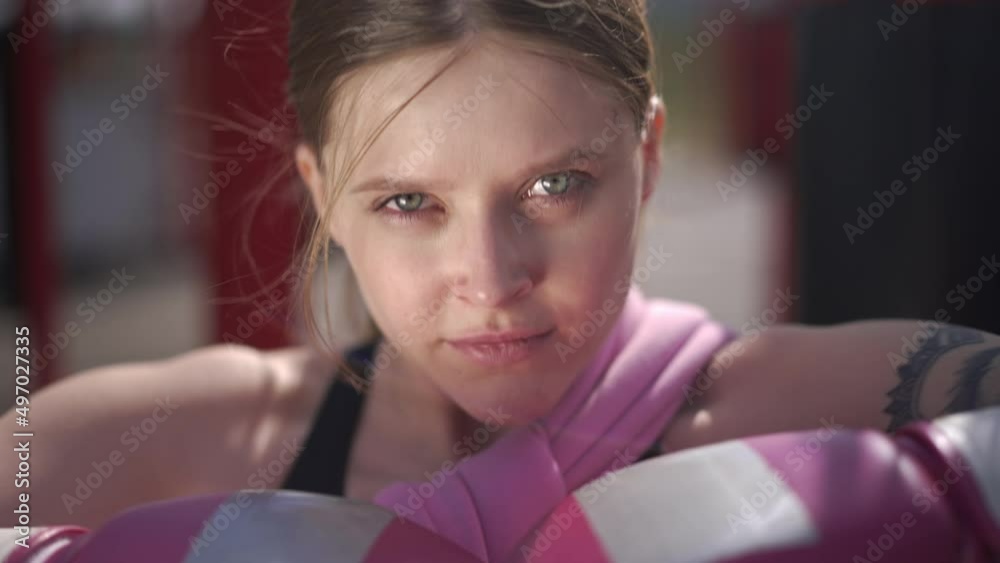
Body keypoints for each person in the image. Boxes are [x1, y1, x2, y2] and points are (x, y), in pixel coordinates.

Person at [3, 0, 999, 538]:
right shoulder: (192, 439)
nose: (488, 276)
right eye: (407, 202)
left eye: (554, 185)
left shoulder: (809, 402)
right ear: (322, 195)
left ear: (644, 161)